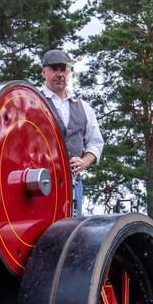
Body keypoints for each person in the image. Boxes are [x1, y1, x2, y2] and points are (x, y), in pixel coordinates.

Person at [38, 49, 103, 217]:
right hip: (40, 184)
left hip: (75, 184)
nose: (60, 74)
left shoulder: (84, 107)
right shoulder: (33, 102)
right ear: (44, 72)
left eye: (63, 69)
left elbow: (96, 142)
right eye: (54, 69)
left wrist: (84, 162)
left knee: (71, 235)